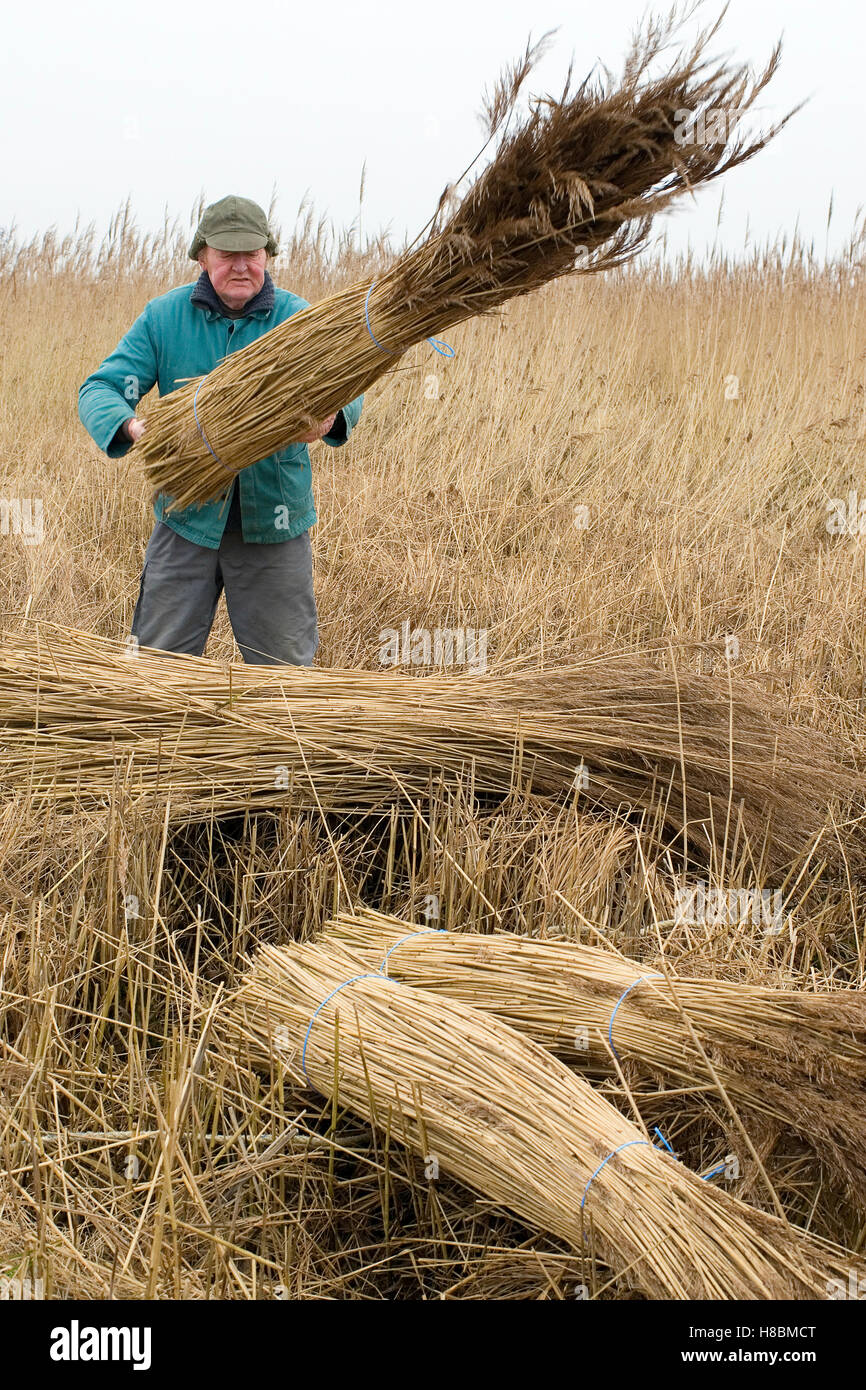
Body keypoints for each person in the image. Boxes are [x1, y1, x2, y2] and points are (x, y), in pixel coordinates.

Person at [78, 194, 363, 665]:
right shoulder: (164, 318)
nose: (240, 266)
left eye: (250, 255)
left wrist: (332, 416)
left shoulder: (299, 318)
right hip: (186, 517)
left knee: (283, 679)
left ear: (266, 255)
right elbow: (100, 389)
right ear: (202, 255)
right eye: (226, 254)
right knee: (158, 671)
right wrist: (131, 425)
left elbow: (349, 384)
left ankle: (271, 740)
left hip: (274, 521)